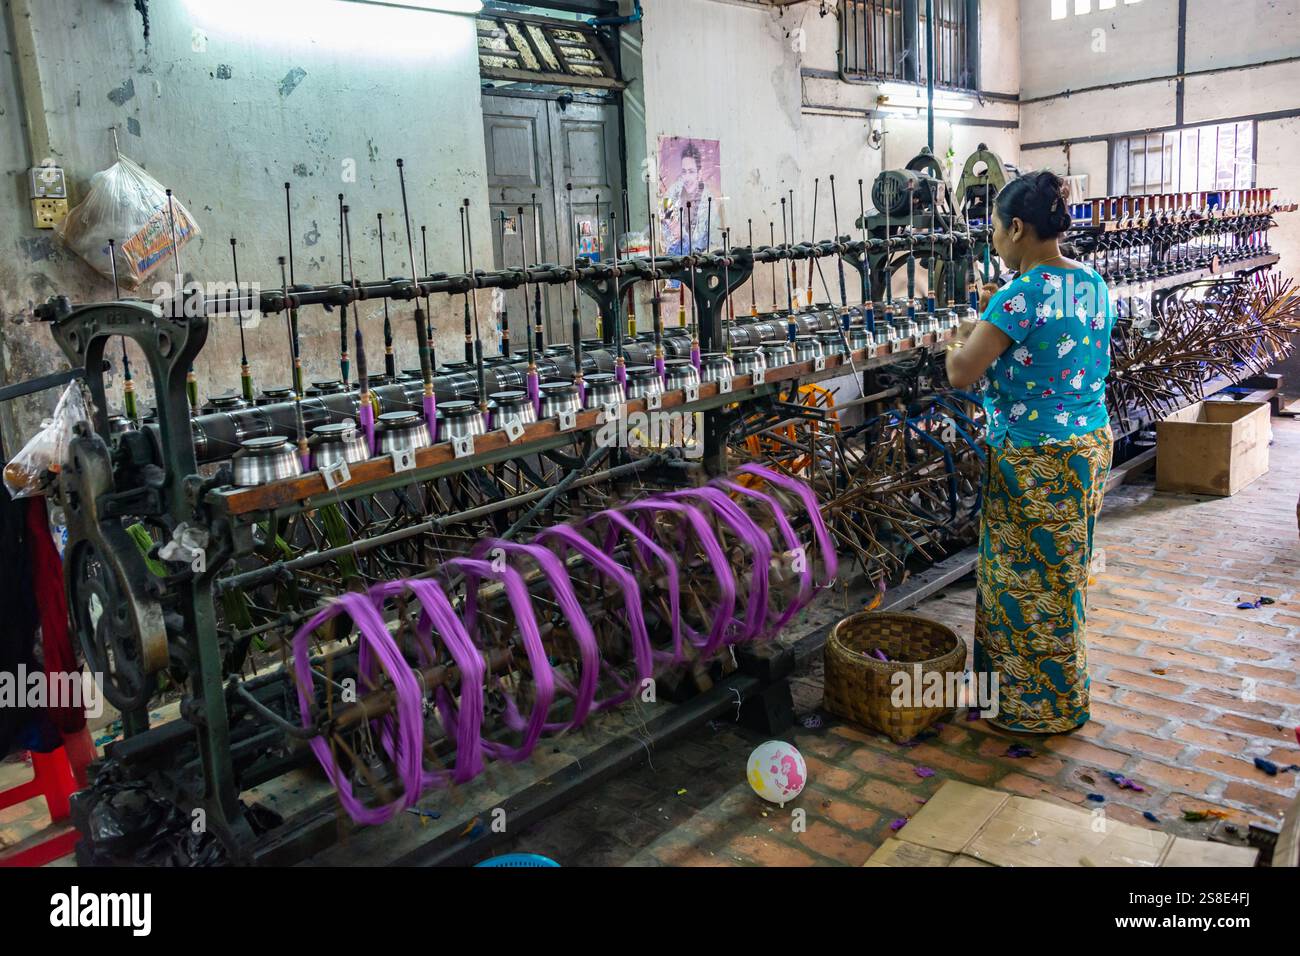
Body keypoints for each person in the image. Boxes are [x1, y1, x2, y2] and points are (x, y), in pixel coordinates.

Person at [944, 170, 1115, 734]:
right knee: (1062, 576)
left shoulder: (1020, 294)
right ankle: (1061, 696)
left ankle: (1031, 708)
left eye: (993, 228)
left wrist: (953, 341)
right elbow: (1055, 347)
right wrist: (993, 320)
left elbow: (965, 372)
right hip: (1086, 446)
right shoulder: (1092, 281)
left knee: (1020, 583)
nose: (991, 238)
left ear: (1016, 228)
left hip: (1034, 458)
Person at [662, 142, 713, 255]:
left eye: (691, 171)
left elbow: (700, 242)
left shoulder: (708, 200)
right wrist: (672, 223)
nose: (687, 178)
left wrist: (683, 234)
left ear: (699, 174)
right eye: (684, 172)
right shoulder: (678, 188)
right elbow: (666, 200)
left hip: (700, 259)